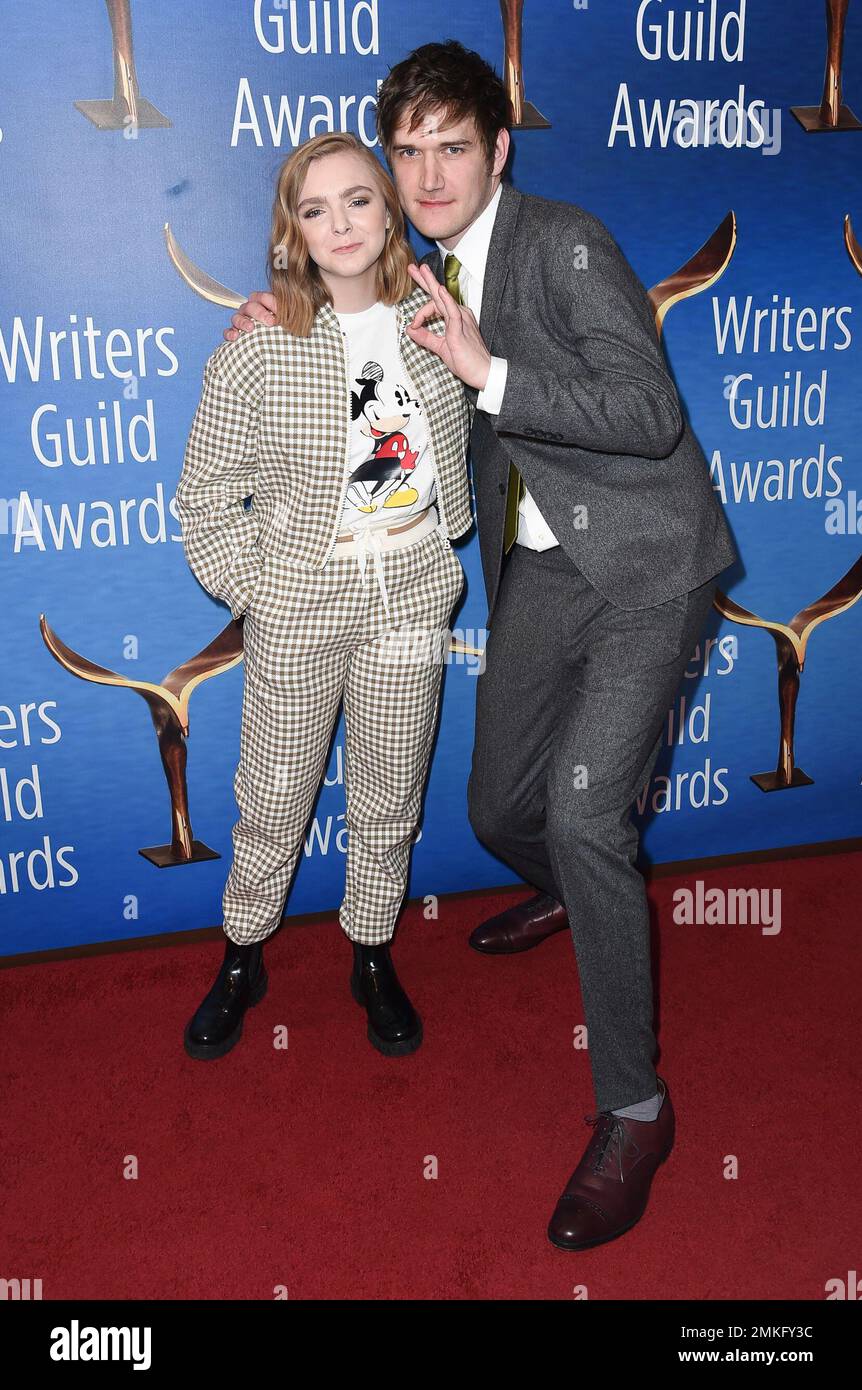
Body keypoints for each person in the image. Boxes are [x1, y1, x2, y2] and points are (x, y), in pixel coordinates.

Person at [222, 41, 739, 1251]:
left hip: (647, 566)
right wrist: (269, 309)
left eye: (452, 145)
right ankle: (574, 887)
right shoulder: (401, 273)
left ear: (497, 149)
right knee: (502, 807)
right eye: (406, 151)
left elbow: (647, 412)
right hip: (543, 569)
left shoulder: (561, 241)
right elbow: (330, 325)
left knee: (579, 813)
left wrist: (488, 367)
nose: (427, 171)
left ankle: (635, 1107)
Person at [175, 130, 472, 1064]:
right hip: (302, 603)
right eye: (315, 209)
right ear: (291, 235)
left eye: (357, 200)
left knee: (391, 791)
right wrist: (263, 593)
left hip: (415, 593)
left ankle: (372, 953)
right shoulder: (259, 347)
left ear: (390, 211)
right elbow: (204, 498)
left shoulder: (438, 323)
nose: (339, 223)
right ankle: (241, 954)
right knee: (274, 791)